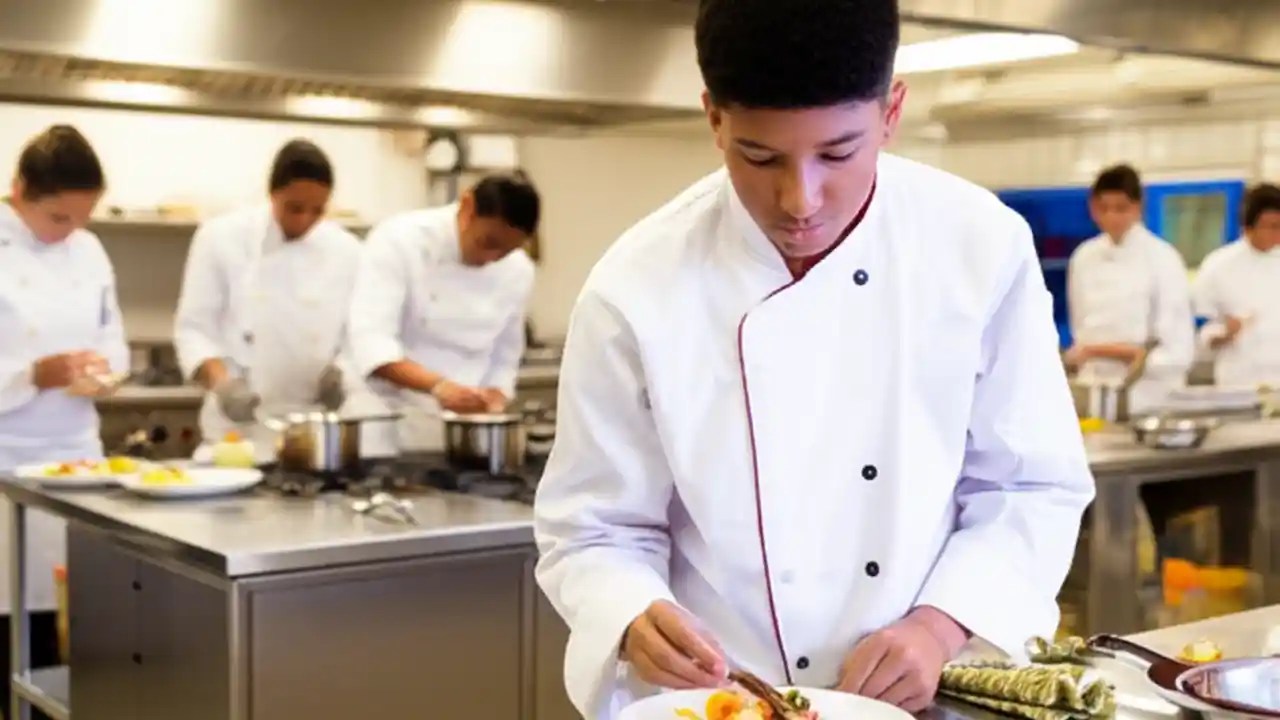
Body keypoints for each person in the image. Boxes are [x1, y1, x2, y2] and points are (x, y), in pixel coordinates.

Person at [533, 1, 1094, 717]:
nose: (801, 199)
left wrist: (938, 626)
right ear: (713, 119)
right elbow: (594, 524)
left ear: (892, 112)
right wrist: (632, 610)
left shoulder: (980, 248)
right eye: (758, 156)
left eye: (838, 153)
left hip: (927, 689)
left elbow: (1028, 487)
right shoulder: (634, 286)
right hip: (715, 699)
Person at [0, 125, 126, 713]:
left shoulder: (90, 249)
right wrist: (31, 376)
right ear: (18, 188)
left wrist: (102, 371)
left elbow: (112, 338)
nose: (69, 232)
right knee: (8, 622)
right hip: (6, 463)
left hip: (78, 461)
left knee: (69, 622)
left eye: (81, 218)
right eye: (57, 217)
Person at [174, 139, 360, 463]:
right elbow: (193, 329)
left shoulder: (348, 251)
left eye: (317, 210)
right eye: (294, 208)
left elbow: (358, 333)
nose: (305, 220)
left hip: (309, 438)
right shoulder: (221, 238)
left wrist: (342, 372)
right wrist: (222, 384)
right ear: (272, 194)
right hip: (234, 438)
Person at [344, 174, 538, 453]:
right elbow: (372, 342)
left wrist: (493, 398)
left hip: (462, 431)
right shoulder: (400, 240)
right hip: (386, 423)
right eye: (488, 243)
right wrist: (439, 387)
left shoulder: (518, 271)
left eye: (505, 252)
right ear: (467, 206)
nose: (491, 259)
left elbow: (505, 356)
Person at [1064, 164, 1194, 412]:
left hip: (1149, 394)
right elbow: (1079, 325)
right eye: (1103, 208)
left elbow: (1176, 348)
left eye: (1121, 208)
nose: (1111, 217)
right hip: (1095, 390)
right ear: (1092, 208)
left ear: (1138, 208)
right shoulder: (1083, 257)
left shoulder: (1162, 258)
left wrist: (1105, 351)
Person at [1193, 183, 1280, 388]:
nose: (1278, 234)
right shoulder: (1218, 266)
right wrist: (1223, 332)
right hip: (1238, 382)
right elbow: (1200, 327)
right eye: (1272, 226)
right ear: (1248, 228)